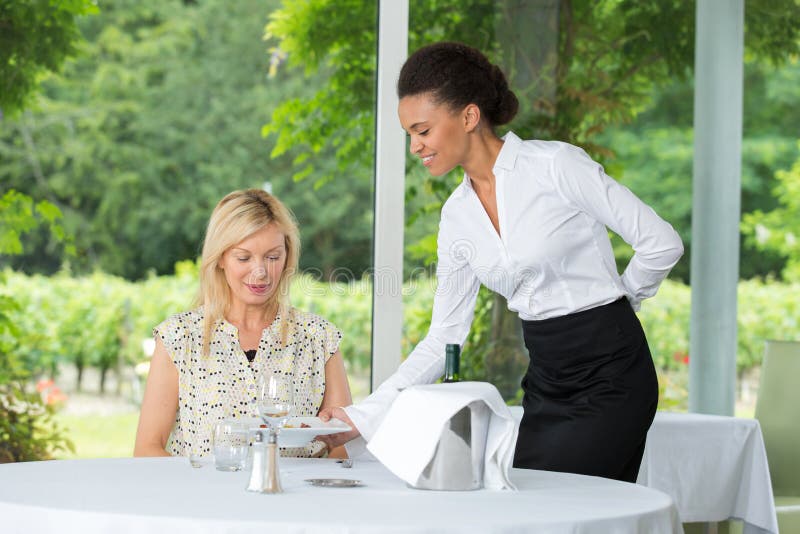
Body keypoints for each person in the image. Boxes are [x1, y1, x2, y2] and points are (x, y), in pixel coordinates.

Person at [320, 42, 683, 482]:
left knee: (570, 507)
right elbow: (443, 338)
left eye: (423, 131)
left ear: (469, 117)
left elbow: (661, 243)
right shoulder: (456, 217)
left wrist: (622, 302)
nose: (415, 147)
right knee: (530, 502)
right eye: (410, 135)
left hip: (613, 375)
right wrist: (364, 414)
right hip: (546, 380)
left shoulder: (556, 166)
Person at [134, 189, 352, 459]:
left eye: (273, 257)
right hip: (205, 501)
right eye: (244, 258)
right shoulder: (179, 337)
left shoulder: (319, 338)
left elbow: (340, 449)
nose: (260, 272)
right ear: (221, 258)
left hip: (297, 501)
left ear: (287, 258)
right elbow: (147, 449)